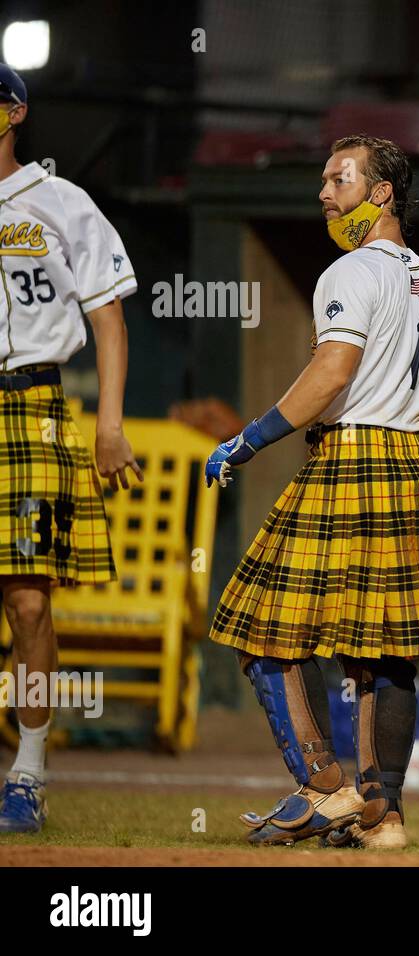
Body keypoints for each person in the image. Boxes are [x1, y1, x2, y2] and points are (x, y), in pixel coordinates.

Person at [205, 135, 419, 850]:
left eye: (339, 179)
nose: (324, 193)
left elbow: (332, 374)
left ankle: (324, 787)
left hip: (353, 458)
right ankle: (383, 812)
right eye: (324, 180)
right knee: (385, 650)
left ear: (382, 192)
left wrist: (248, 438)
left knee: (260, 625)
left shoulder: (350, 271)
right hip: (412, 457)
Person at [0, 64, 141, 834]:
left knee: (27, 601)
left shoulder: (60, 201)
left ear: (14, 110)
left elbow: (109, 319)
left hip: (33, 408)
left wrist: (110, 424)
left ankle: (28, 773)